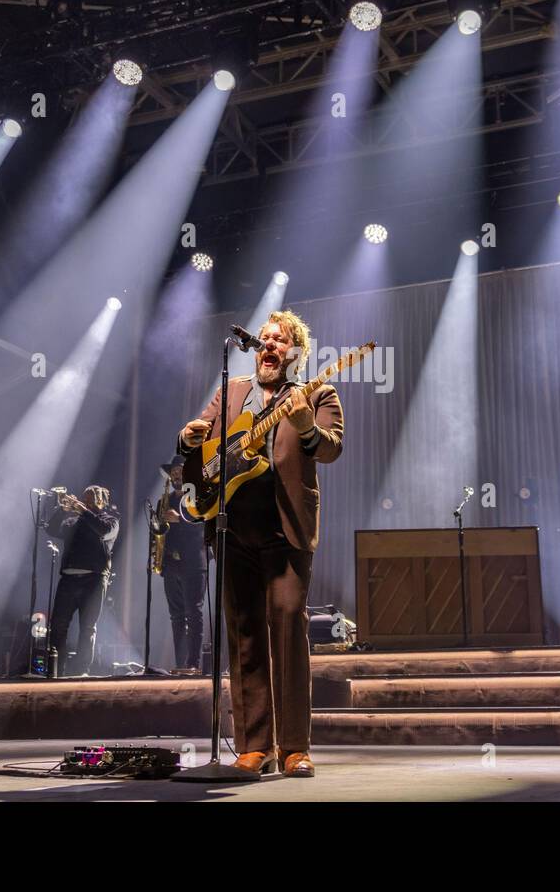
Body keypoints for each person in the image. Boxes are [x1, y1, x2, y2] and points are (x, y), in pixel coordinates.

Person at [178, 309, 343, 778]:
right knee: (244, 635)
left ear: (295, 352)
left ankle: (294, 747)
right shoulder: (230, 394)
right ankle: (255, 746)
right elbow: (200, 448)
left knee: (289, 628)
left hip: (285, 531)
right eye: (265, 339)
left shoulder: (317, 393)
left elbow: (330, 447)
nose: (269, 346)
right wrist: (187, 437)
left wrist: (308, 425)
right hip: (234, 530)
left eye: (279, 340)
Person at [48, 485, 119, 676]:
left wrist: (84, 511)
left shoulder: (110, 521)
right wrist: (61, 509)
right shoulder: (73, 521)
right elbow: (52, 529)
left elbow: (103, 531)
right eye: (85, 497)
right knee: (58, 625)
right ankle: (57, 670)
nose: (86, 501)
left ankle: (80, 671)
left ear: (102, 501)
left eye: (92, 498)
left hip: (94, 580)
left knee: (87, 627)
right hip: (69, 579)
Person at [158, 458, 207, 674]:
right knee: (176, 615)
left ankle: (193, 664)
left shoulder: (198, 497)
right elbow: (160, 530)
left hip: (193, 563)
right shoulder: (165, 499)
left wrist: (181, 519)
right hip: (170, 564)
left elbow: (204, 527)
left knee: (193, 613)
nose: (177, 475)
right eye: (174, 472)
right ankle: (180, 664)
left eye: (180, 471)